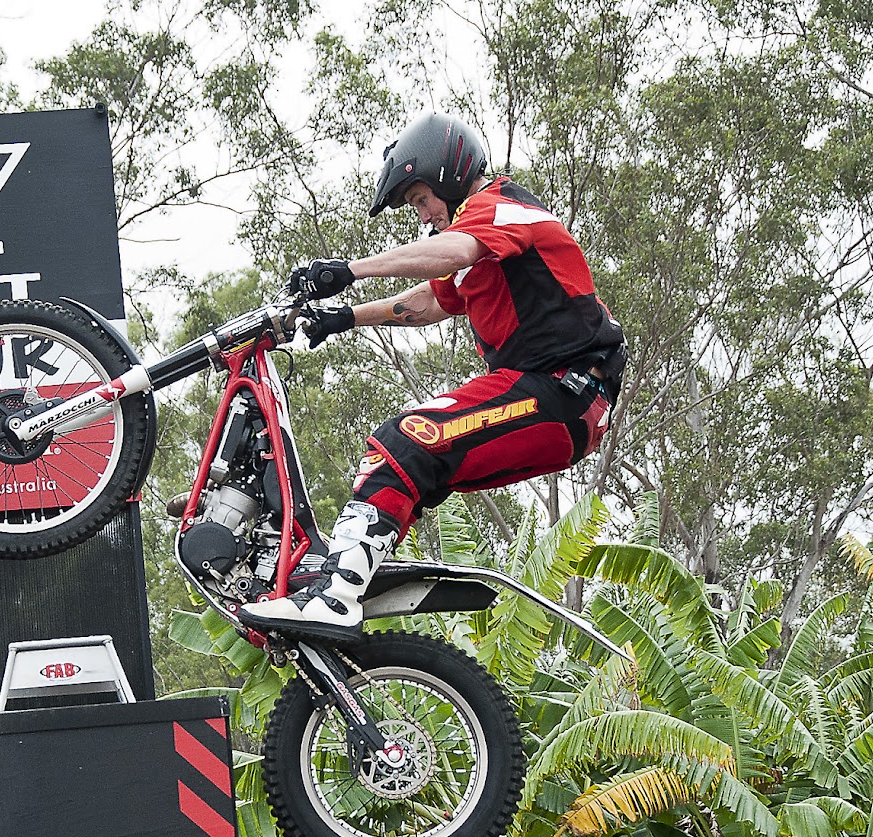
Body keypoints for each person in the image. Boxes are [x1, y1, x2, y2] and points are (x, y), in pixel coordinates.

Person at [240, 110, 627, 641]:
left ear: (448, 173)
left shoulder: (502, 208)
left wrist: (348, 270)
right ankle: (352, 577)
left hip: (563, 389)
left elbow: (451, 252)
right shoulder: (479, 242)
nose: (423, 216)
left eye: (422, 199)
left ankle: (338, 596)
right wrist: (342, 318)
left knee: (407, 439)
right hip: (553, 397)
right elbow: (429, 301)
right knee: (409, 467)